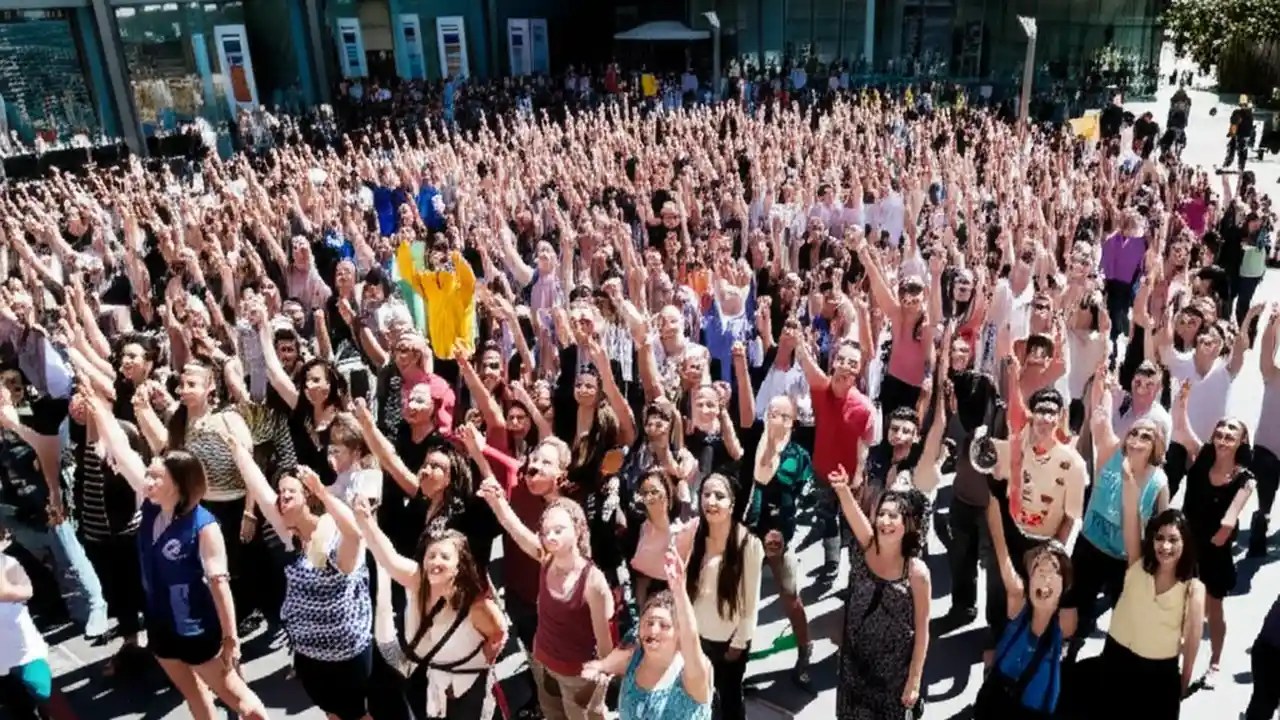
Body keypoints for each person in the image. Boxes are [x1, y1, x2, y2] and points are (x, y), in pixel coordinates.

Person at [86, 386, 268, 720]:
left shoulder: (203, 526)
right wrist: (98, 409)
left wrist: (230, 637)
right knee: (195, 696)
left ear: (177, 484)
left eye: (155, 476)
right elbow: (122, 449)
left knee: (243, 703)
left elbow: (219, 584)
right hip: (160, 625)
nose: (147, 480)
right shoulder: (152, 507)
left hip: (197, 629)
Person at [478, 479, 614, 720]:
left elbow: (604, 643)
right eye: (546, 531)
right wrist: (496, 501)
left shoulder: (593, 581)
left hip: (578, 677)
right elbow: (515, 528)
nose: (550, 536)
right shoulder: (546, 558)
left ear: (578, 529)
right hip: (544, 664)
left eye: (558, 530)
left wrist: (601, 680)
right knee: (552, 715)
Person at [357, 503, 506, 720]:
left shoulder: (476, 606)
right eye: (431, 555)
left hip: (467, 688)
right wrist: (367, 521)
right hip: (430, 683)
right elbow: (388, 558)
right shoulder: (418, 581)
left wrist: (479, 660)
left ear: (459, 565)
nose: (436, 562)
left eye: (445, 557)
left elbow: (498, 633)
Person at [1062, 367, 1170, 663]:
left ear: (1155, 445)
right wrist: (1103, 386)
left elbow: (1162, 529)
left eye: (1146, 436)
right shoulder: (1111, 452)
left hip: (1124, 558)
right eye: (1134, 433)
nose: (1136, 439)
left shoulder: (1158, 482)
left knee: (1123, 619)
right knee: (1073, 606)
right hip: (1090, 546)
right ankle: (1066, 654)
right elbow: (1099, 418)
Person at [828, 463, 930, 720]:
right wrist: (842, 489)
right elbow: (853, 514)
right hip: (854, 668)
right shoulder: (867, 547)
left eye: (893, 516)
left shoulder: (916, 573)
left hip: (893, 678)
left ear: (907, 524)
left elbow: (922, 632)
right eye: (881, 514)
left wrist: (914, 681)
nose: (884, 521)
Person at [1172, 380, 1255, 688]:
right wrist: (1181, 403)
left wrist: (1228, 522)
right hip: (1186, 542)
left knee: (1213, 609)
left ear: (1241, 441)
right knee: (1181, 604)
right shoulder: (1203, 455)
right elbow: (1181, 432)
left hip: (1215, 550)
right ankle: (1175, 658)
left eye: (1230, 434)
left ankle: (1216, 662)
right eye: (1220, 433)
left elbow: (1232, 516)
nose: (1223, 438)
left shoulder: (1245, 478)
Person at [581, 548, 713, 720]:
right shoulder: (633, 659)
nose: (653, 630)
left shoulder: (691, 677)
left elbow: (691, 640)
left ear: (679, 634)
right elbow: (607, 663)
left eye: (664, 625)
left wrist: (679, 589)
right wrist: (598, 668)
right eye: (648, 623)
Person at [685, 473, 762, 720]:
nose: (711, 501)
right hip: (697, 639)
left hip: (729, 644)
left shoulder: (748, 544)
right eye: (706, 495)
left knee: (729, 701)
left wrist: (739, 643)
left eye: (719, 496)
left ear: (732, 503)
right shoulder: (695, 535)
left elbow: (750, 603)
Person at [973, 539, 1071, 718]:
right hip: (997, 706)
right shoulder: (1018, 606)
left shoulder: (1065, 622)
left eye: (1053, 570)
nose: (1044, 575)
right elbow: (1001, 552)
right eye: (1038, 569)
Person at [0, 527, 54, 719]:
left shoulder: (8, 563)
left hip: (22, 647)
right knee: (17, 704)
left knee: (41, 688)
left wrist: (7, 591)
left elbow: (28, 590)